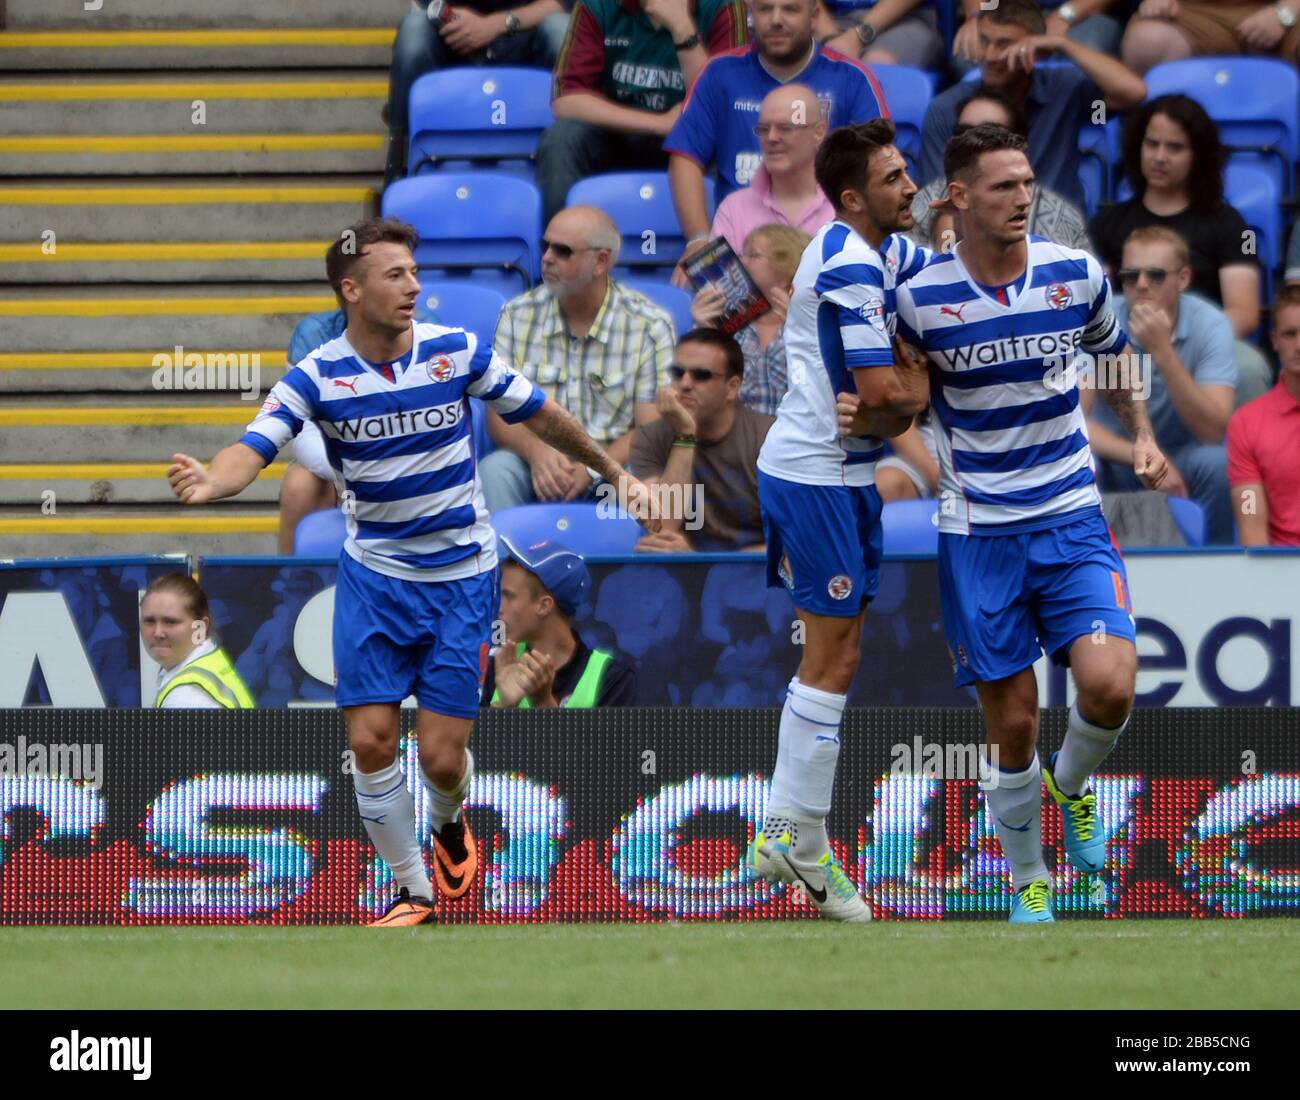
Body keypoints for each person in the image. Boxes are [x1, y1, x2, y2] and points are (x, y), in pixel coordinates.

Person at [166, 216, 659, 927]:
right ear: (352, 288)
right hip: (375, 579)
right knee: (368, 741)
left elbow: (545, 416)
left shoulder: (455, 351)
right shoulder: (315, 375)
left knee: (438, 759)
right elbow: (257, 445)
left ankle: (450, 824)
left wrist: (614, 471)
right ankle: (413, 890)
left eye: (415, 273)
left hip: (460, 580)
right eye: (395, 275)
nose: (414, 287)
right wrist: (214, 482)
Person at [885, 124, 1171, 922]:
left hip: (1072, 513)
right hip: (980, 534)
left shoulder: (1075, 275)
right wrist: (909, 442)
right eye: (1004, 186)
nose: (1022, 198)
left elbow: (1113, 358)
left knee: (1110, 686)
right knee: (1013, 722)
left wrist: (1141, 434)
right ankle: (1028, 884)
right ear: (960, 198)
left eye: (1027, 183)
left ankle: (1070, 785)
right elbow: (901, 398)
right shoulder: (920, 300)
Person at [746, 119, 935, 923]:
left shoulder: (885, 249)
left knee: (843, 651)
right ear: (853, 197)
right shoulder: (854, 263)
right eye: (894, 179)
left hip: (849, 475)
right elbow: (885, 397)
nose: (911, 189)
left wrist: (904, 388)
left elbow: (942, 301)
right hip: (814, 473)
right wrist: (916, 385)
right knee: (829, 652)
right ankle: (792, 833)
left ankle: (801, 840)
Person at [483, 205, 674, 513]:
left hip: (614, 464)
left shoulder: (650, 325)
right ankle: (506, 562)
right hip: (538, 459)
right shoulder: (517, 315)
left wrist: (594, 467)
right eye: (546, 245)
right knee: (495, 470)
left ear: (600, 262)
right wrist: (536, 452)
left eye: (563, 251)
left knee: (648, 477)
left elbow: (651, 427)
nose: (547, 257)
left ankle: (631, 563)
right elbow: (498, 415)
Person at [665, 2, 886, 265]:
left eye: (790, 10)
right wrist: (700, 240)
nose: (776, 20)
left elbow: (879, 165)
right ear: (751, 15)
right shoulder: (718, 74)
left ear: (814, 16)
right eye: (765, 9)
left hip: (828, 243)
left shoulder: (851, 78)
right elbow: (685, 158)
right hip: (741, 243)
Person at [1085, 227, 1238, 544]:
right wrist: (1143, 455)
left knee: (1217, 462)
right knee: (1085, 462)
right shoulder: (1101, 318)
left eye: (1155, 275)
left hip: (1183, 455)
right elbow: (1077, 421)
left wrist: (1164, 353)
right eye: (1130, 275)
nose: (1141, 284)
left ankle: (1217, 561)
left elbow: (1212, 431)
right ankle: (1094, 559)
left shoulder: (1210, 324)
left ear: (1182, 278)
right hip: (1120, 457)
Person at [919, 0, 1146, 212]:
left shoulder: (1065, 90)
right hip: (980, 236)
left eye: (1004, 44)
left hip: (1056, 232)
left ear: (1035, 47)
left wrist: (1063, 45)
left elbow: (1133, 92)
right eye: (984, 41)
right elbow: (938, 203)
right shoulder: (946, 109)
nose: (989, 55)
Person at [536, 0, 749, 222]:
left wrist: (682, 28)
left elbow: (728, 105)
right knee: (562, 138)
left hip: (694, 141)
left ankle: (716, 246)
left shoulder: (724, 5)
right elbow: (567, 99)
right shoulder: (597, 4)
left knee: (733, 143)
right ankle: (563, 246)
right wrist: (659, 123)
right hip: (617, 134)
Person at [1089, 95, 1263, 345]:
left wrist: (1173, 347)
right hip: (1125, 349)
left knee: (1249, 367)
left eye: (1175, 147)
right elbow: (1092, 305)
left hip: (1200, 351)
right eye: (1152, 144)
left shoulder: (1228, 224)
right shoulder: (1108, 223)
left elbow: (1244, 316)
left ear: (1198, 156)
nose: (1160, 157)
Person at [381, 0, 573, 186]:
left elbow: (560, 4)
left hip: (524, 30)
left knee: (560, 28)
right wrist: (461, 22)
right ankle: (398, 175)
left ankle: (574, 175)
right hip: (457, 34)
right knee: (414, 30)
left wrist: (494, 24)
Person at [629, 327, 774, 551]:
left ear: (732, 387)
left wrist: (700, 559)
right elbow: (662, 527)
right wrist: (685, 435)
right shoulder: (651, 437)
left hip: (756, 575)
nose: (685, 383)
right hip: (681, 573)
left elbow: (794, 547)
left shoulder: (770, 439)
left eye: (701, 375)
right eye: (678, 373)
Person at [909, 87, 1091, 254]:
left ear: (1017, 142)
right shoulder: (923, 203)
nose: (974, 143)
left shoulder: (1059, 218)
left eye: (990, 134)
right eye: (963, 132)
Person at [483, 536, 638, 706]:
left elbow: (606, 735)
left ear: (544, 606)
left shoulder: (612, 678)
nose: (498, 608)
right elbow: (465, 733)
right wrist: (504, 706)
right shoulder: (497, 666)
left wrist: (542, 701)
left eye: (509, 596)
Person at [690, 223, 811, 416]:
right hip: (735, 436)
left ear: (786, 266)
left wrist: (801, 330)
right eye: (742, 254)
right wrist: (705, 331)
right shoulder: (726, 319)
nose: (740, 262)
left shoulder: (813, 321)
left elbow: (820, 388)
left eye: (753, 255)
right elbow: (695, 388)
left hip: (795, 435)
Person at [707, 84, 834, 258]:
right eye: (764, 129)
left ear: (819, 132)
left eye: (786, 128)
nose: (771, 138)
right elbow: (720, 282)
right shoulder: (734, 209)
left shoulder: (846, 207)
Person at [1228, 285, 1300, 546]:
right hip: (1280, 574)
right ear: (1275, 341)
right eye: (1290, 334)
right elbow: (1252, 529)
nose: (1299, 345)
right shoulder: (1246, 424)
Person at [142, 573, 255, 709]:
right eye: (149, 621)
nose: (158, 633)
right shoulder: (208, 660)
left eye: (170, 622)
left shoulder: (185, 697)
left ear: (201, 627)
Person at [1122, 0, 1300, 74]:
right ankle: (1170, 142)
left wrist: (1286, 12)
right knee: (1147, 42)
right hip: (1196, 11)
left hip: (1277, 8)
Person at [954, 0, 1129, 62]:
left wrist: (1067, 14)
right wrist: (978, 15)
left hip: (1082, 13)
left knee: (1085, 53)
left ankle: (1088, 123)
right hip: (1006, 8)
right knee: (970, 52)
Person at [816, 0, 944, 68]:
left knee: (877, 65)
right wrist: (830, 35)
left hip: (903, 19)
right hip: (830, 17)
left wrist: (856, 37)